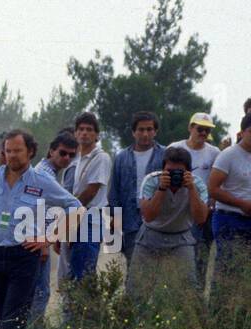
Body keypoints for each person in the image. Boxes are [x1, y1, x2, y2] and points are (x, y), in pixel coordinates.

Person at [0, 129, 83, 329]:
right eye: (8, 150)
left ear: (30, 151)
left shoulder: (41, 180)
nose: (12, 155)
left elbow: (76, 207)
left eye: (17, 150)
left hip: (24, 256)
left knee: (13, 323)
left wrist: (49, 238)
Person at [130, 146, 209, 298]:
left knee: (186, 290)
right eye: (170, 171)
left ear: (189, 172)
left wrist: (191, 188)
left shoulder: (197, 184)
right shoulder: (152, 180)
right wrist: (161, 189)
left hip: (181, 239)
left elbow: (201, 219)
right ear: (163, 170)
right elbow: (148, 216)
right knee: (137, 290)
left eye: (179, 172)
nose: (175, 176)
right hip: (150, 236)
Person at [30, 131, 79, 324]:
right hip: (36, 239)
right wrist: (45, 242)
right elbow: (36, 209)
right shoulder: (44, 175)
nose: (66, 158)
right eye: (63, 153)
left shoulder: (48, 172)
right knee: (40, 293)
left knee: (38, 292)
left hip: (39, 237)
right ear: (51, 151)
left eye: (71, 155)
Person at [209, 111, 251, 262]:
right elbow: (212, 189)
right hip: (229, 218)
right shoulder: (228, 155)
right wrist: (241, 203)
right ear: (242, 132)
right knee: (228, 267)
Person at [109, 111, 166, 266]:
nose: (145, 134)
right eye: (141, 129)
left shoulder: (165, 155)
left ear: (155, 131)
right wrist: (115, 218)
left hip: (158, 220)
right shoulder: (121, 158)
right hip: (130, 220)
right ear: (134, 132)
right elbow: (114, 190)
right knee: (134, 265)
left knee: (158, 266)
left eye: (149, 129)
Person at [169, 112, 220, 277]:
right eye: (200, 129)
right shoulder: (175, 148)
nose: (203, 133)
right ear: (191, 128)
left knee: (200, 257)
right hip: (178, 209)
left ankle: (195, 295)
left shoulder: (214, 152)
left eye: (207, 130)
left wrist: (211, 202)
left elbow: (216, 181)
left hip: (202, 211)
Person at [68, 111, 111, 281]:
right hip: (79, 216)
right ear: (75, 133)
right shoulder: (78, 159)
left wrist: (69, 215)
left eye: (89, 129)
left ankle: (85, 307)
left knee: (84, 272)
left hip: (90, 218)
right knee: (75, 267)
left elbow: (91, 191)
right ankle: (74, 307)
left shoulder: (101, 157)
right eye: (81, 129)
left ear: (96, 135)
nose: (84, 133)